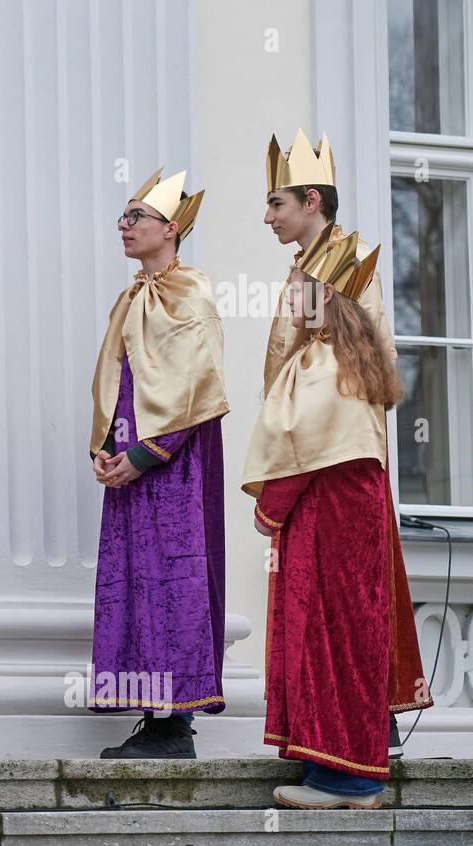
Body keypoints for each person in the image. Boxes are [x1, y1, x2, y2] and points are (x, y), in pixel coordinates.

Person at [244, 225, 428, 808]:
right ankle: (331, 767)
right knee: (338, 635)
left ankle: (349, 779)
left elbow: (306, 446)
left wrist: (271, 509)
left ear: (324, 295)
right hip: (343, 518)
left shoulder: (323, 363)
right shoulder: (350, 357)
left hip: (331, 519)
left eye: (299, 285)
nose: (290, 293)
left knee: (331, 638)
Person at [262, 130, 431, 749]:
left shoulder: (347, 264)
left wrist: (294, 456)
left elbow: (354, 365)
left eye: (277, 203)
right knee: (334, 596)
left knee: (347, 597)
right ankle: (350, 724)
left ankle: (359, 729)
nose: (268, 216)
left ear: (311, 200)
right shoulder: (304, 267)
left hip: (335, 451)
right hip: (308, 450)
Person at [88, 169, 228, 759]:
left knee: (174, 577)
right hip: (129, 462)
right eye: (123, 216)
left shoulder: (190, 293)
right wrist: (104, 446)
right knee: (133, 576)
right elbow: (117, 380)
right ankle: (152, 716)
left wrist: (146, 454)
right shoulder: (130, 297)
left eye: (136, 217)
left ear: (171, 229)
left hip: (173, 467)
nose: (124, 226)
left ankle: (177, 725)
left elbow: (200, 387)